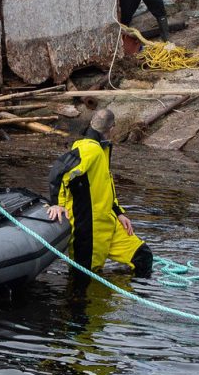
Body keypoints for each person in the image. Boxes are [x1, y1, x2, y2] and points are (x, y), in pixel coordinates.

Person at [46, 109, 153, 278]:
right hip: (89, 229)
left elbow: (104, 185)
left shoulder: (101, 149)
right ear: (112, 127)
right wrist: (56, 204)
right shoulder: (89, 149)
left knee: (143, 256)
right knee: (84, 278)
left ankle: (120, 296)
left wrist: (118, 213)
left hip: (109, 222)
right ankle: (94, 299)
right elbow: (60, 170)